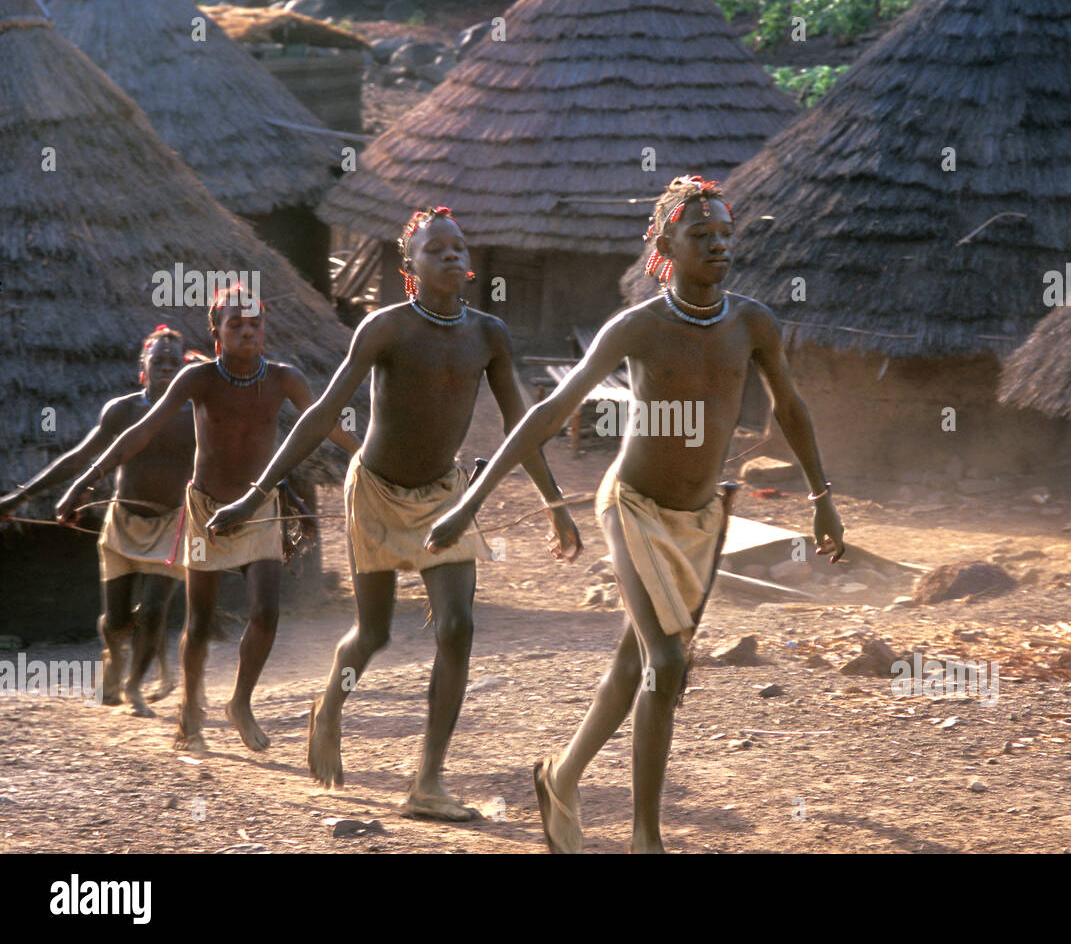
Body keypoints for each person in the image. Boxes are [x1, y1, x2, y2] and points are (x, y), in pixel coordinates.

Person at [427, 176, 846, 852]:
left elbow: (791, 410)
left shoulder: (752, 323)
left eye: (725, 236)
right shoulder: (637, 328)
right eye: (701, 236)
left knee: (636, 666)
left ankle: (560, 776)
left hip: (703, 519)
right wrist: (469, 504)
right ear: (665, 246)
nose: (718, 246)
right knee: (666, 663)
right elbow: (549, 412)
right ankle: (645, 838)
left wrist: (824, 500)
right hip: (633, 507)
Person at [208, 206, 582, 819]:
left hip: (444, 494)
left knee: (457, 627)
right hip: (377, 492)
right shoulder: (385, 328)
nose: (454, 256)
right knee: (375, 634)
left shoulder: (489, 335)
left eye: (460, 247)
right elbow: (323, 414)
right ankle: (330, 705)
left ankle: (427, 782)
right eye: (437, 249)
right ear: (410, 266)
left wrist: (553, 502)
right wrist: (255, 494)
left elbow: (521, 424)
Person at [58, 288, 359, 751]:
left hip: (260, 508)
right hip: (205, 512)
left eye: (255, 324)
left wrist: (372, 458)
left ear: (265, 330)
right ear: (215, 332)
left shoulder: (284, 379)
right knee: (198, 623)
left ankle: (240, 701)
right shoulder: (198, 380)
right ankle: (190, 708)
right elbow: (143, 430)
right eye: (235, 325)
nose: (247, 332)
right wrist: (87, 481)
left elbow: (326, 425)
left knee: (266, 612)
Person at [1, 326, 194, 715]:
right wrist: (20, 497)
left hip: (175, 525)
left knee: (155, 611)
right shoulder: (122, 411)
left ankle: (135, 688)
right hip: (122, 523)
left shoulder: (197, 416)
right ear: (143, 369)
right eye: (158, 361)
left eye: (174, 362)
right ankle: (117, 657)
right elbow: (78, 458)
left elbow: (225, 463)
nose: (166, 367)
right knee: (117, 621)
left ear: (185, 370)